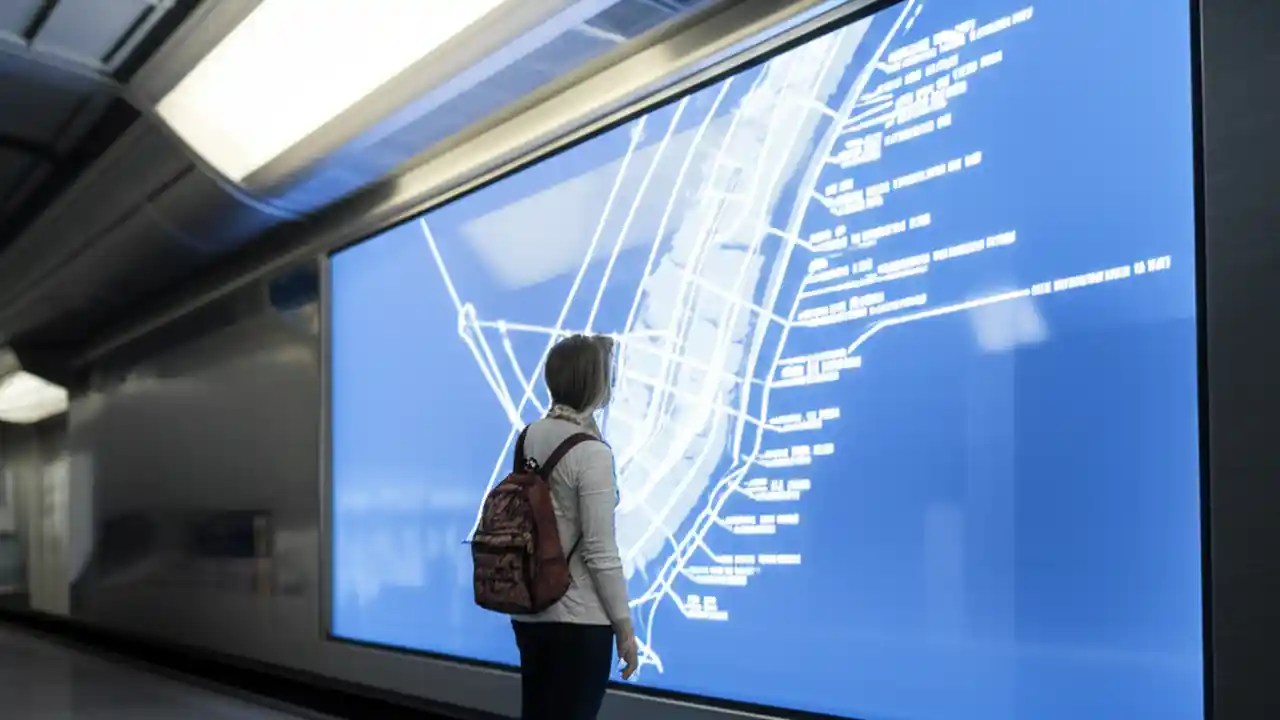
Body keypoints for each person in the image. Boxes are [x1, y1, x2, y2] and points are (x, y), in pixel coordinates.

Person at [511, 333, 639, 720]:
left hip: (531, 614)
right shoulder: (591, 453)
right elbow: (599, 551)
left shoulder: (529, 436)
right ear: (595, 383)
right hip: (579, 621)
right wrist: (625, 629)